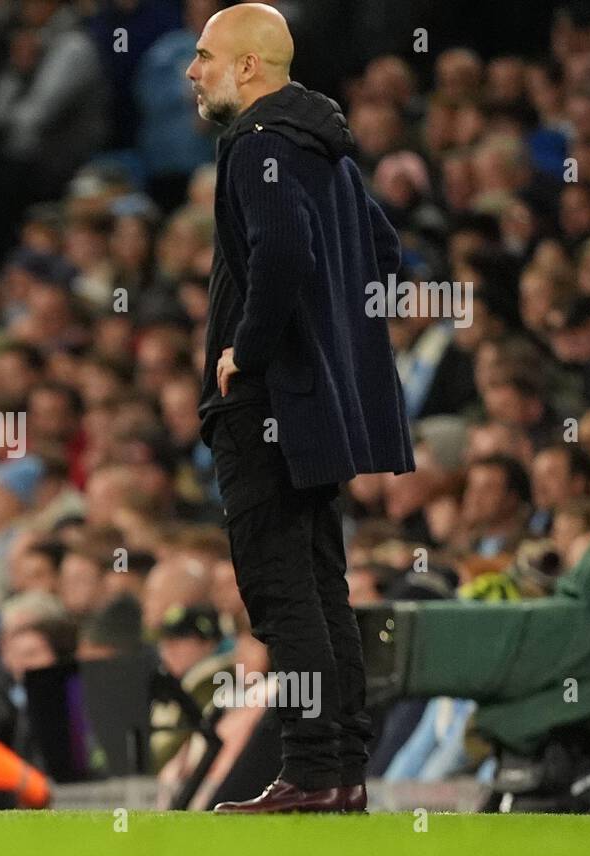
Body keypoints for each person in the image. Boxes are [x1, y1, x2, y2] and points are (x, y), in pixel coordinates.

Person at [186, 4, 415, 813]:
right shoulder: (328, 154)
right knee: (320, 587)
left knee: (283, 592)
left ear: (249, 66)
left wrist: (250, 351)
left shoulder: (256, 144)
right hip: (316, 410)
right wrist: (333, 349)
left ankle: (313, 771)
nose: (192, 71)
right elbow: (384, 255)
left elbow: (283, 252)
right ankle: (341, 771)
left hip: (266, 408)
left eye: (206, 55)